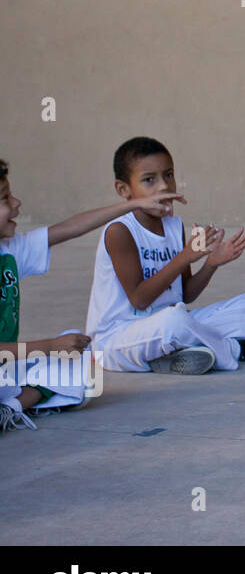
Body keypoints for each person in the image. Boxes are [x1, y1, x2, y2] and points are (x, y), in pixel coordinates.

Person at [0, 157, 169, 430]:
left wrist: (133, 205)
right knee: (59, 353)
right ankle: (15, 403)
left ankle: (11, 408)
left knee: (78, 359)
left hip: (4, 373)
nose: (17, 203)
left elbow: (70, 228)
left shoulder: (9, 251)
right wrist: (50, 346)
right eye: (5, 198)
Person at [86, 137, 245, 375]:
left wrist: (211, 264)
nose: (163, 186)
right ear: (123, 189)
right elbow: (139, 300)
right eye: (149, 180)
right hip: (117, 340)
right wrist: (185, 256)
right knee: (175, 322)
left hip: (167, 324)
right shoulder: (120, 231)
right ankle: (236, 349)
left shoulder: (174, 226)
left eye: (168, 175)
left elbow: (185, 294)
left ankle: (174, 355)